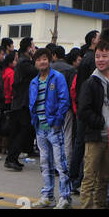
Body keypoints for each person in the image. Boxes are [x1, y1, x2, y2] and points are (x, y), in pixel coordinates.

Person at [28, 47, 72, 208]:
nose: (42, 62)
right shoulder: (34, 81)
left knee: (60, 163)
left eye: (44, 59)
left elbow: (64, 100)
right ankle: (47, 195)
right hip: (40, 128)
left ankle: (65, 197)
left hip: (54, 127)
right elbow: (32, 103)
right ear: (35, 62)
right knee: (45, 163)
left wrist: (58, 121)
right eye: (39, 59)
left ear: (49, 60)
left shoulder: (57, 77)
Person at [77, 37, 109, 209]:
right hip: (94, 137)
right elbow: (83, 110)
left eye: (104, 56)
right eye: (98, 56)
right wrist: (100, 123)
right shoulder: (91, 83)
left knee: (104, 179)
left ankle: (99, 206)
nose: (100, 60)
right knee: (89, 178)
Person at [4, 37, 36, 172]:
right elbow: (35, 72)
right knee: (22, 131)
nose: (34, 49)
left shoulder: (23, 61)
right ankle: (11, 159)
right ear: (28, 48)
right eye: (33, 46)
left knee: (19, 131)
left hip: (20, 101)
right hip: (22, 103)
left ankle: (12, 158)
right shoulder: (25, 63)